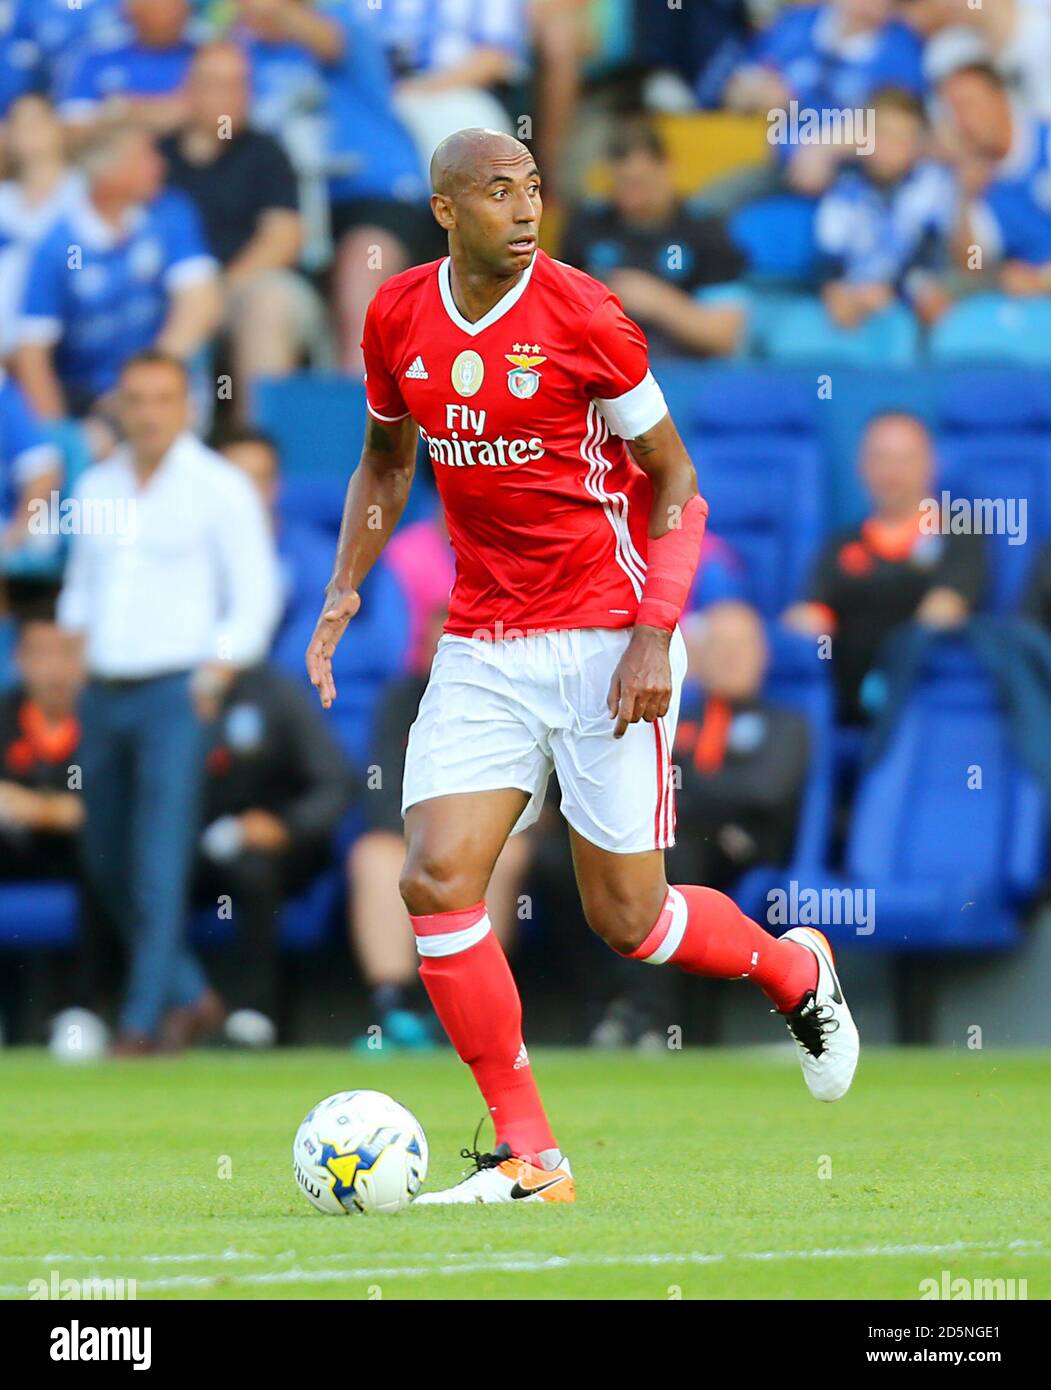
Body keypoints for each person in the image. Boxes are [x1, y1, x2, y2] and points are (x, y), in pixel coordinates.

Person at [306, 128, 860, 1205]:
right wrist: (344, 584)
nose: (525, 209)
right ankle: (531, 1156)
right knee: (433, 876)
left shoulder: (583, 315)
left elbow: (675, 484)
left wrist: (655, 630)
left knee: (631, 922)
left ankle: (796, 972)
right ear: (445, 210)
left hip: (609, 636)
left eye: (534, 190)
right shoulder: (397, 315)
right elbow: (386, 458)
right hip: (481, 641)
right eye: (499, 192)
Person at [57, 351, 280, 1056]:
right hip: (102, 690)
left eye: (162, 398)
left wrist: (217, 666)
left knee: (157, 858)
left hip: (176, 691)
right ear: (120, 407)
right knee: (104, 854)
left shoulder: (218, 489)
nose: (148, 412)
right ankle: (190, 992)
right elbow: (82, 591)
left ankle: (140, 1021)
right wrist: (70, 657)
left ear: (186, 405)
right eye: (136, 398)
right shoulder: (95, 485)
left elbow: (256, 591)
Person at [592, 600, 811, 1048]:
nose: (731, 657)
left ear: (764, 655)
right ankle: (609, 1010)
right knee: (576, 861)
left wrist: (685, 789)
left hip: (748, 855)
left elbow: (763, 792)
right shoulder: (672, 716)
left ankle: (648, 1018)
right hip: (678, 838)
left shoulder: (788, 723)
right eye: (719, 646)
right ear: (697, 656)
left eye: (742, 646)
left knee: (668, 858)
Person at [347, 604, 533, 1052]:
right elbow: (380, 786)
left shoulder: (518, 697)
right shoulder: (401, 701)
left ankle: (473, 1011)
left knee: (504, 856)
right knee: (374, 856)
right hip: (413, 833)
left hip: (493, 835)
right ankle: (392, 1008)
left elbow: (536, 790)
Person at [228, 0, 428, 373]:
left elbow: (332, 41)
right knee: (268, 303)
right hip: (289, 203)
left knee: (360, 282)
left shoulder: (340, 17)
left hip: (376, 192)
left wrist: (273, 13)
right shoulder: (244, 50)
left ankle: (361, 413)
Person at [783, 411, 984, 723]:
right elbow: (809, 617)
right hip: (845, 704)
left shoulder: (960, 533)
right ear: (861, 467)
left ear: (931, 465)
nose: (892, 472)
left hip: (923, 705)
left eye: (904, 459)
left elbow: (942, 615)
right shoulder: (841, 546)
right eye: (881, 458)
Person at [14, 120, 221, 424]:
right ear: (106, 173)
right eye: (144, 156)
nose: (160, 164)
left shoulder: (170, 212)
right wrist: (62, 437)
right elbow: (33, 353)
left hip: (163, 387)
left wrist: (141, 385)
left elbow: (201, 303)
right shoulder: (59, 246)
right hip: (88, 404)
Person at [194, 660, 353, 1049]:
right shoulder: (167, 695)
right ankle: (106, 1010)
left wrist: (286, 827)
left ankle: (252, 1014)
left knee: (253, 873)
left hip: (276, 847)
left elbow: (334, 783)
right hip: (189, 846)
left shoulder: (277, 695)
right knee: (119, 867)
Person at [160, 41, 323, 416]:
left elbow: (283, 239)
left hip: (242, 289)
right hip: (171, 293)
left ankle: (255, 445)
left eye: (239, 84)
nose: (230, 96)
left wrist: (218, 292)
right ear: (190, 89)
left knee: (268, 303)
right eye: (217, 83)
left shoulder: (266, 153)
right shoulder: (158, 158)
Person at [561, 122, 748, 360]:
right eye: (622, 183)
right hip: (602, 362)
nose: (631, 198)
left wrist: (656, 301)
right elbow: (558, 316)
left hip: (684, 366)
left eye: (640, 183)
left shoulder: (704, 229)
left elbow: (723, 336)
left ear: (666, 168)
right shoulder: (587, 226)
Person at [725, 0, 926, 194]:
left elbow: (900, 125)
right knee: (710, 206)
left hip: (856, 178)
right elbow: (735, 88)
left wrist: (826, 148)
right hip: (777, 160)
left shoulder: (902, 51)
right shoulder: (797, 24)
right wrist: (756, 90)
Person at [816, 86, 956, 329]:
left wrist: (893, 290)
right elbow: (829, 257)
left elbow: (930, 255)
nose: (890, 147)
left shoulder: (933, 185)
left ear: (918, 144)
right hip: (855, 296)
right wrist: (836, 290)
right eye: (882, 135)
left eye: (902, 138)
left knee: (929, 300)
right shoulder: (845, 186)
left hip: (912, 293)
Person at [939, 63, 1051, 294]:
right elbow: (973, 266)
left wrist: (1042, 279)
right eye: (953, 112)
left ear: (1000, 98)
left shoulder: (1044, 141)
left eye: (968, 106)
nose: (962, 122)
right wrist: (965, 200)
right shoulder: (978, 183)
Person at [0, 593, 84, 883]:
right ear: (19, 658)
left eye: (67, 651)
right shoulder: (5, 717)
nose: (54, 668)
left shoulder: (112, 724)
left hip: (87, 868)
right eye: (41, 652)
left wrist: (41, 810)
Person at [0, 94, 84, 365]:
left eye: (38, 121)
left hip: (70, 347)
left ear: (58, 128)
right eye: (20, 124)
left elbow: (82, 267)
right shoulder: (4, 202)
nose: (30, 132)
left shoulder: (86, 194)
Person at [56, 0, 197, 137]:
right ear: (132, 11)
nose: (172, 14)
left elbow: (217, 120)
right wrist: (122, 115)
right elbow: (72, 130)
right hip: (110, 153)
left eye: (176, 6)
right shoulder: (96, 57)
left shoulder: (203, 54)